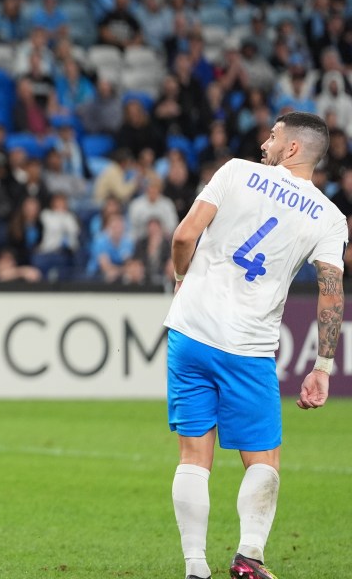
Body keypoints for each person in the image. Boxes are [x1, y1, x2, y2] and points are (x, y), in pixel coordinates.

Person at [165, 112, 346, 579]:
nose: (265, 141)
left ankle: (195, 566)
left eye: (273, 135)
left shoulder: (234, 171)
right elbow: (330, 291)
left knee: (193, 455)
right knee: (263, 458)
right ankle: (248, 556)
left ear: (291, 149)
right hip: (248, 344)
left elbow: (184, 234)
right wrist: (323, 364)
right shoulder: (328, 216)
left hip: (190, 330)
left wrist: (182, 279)